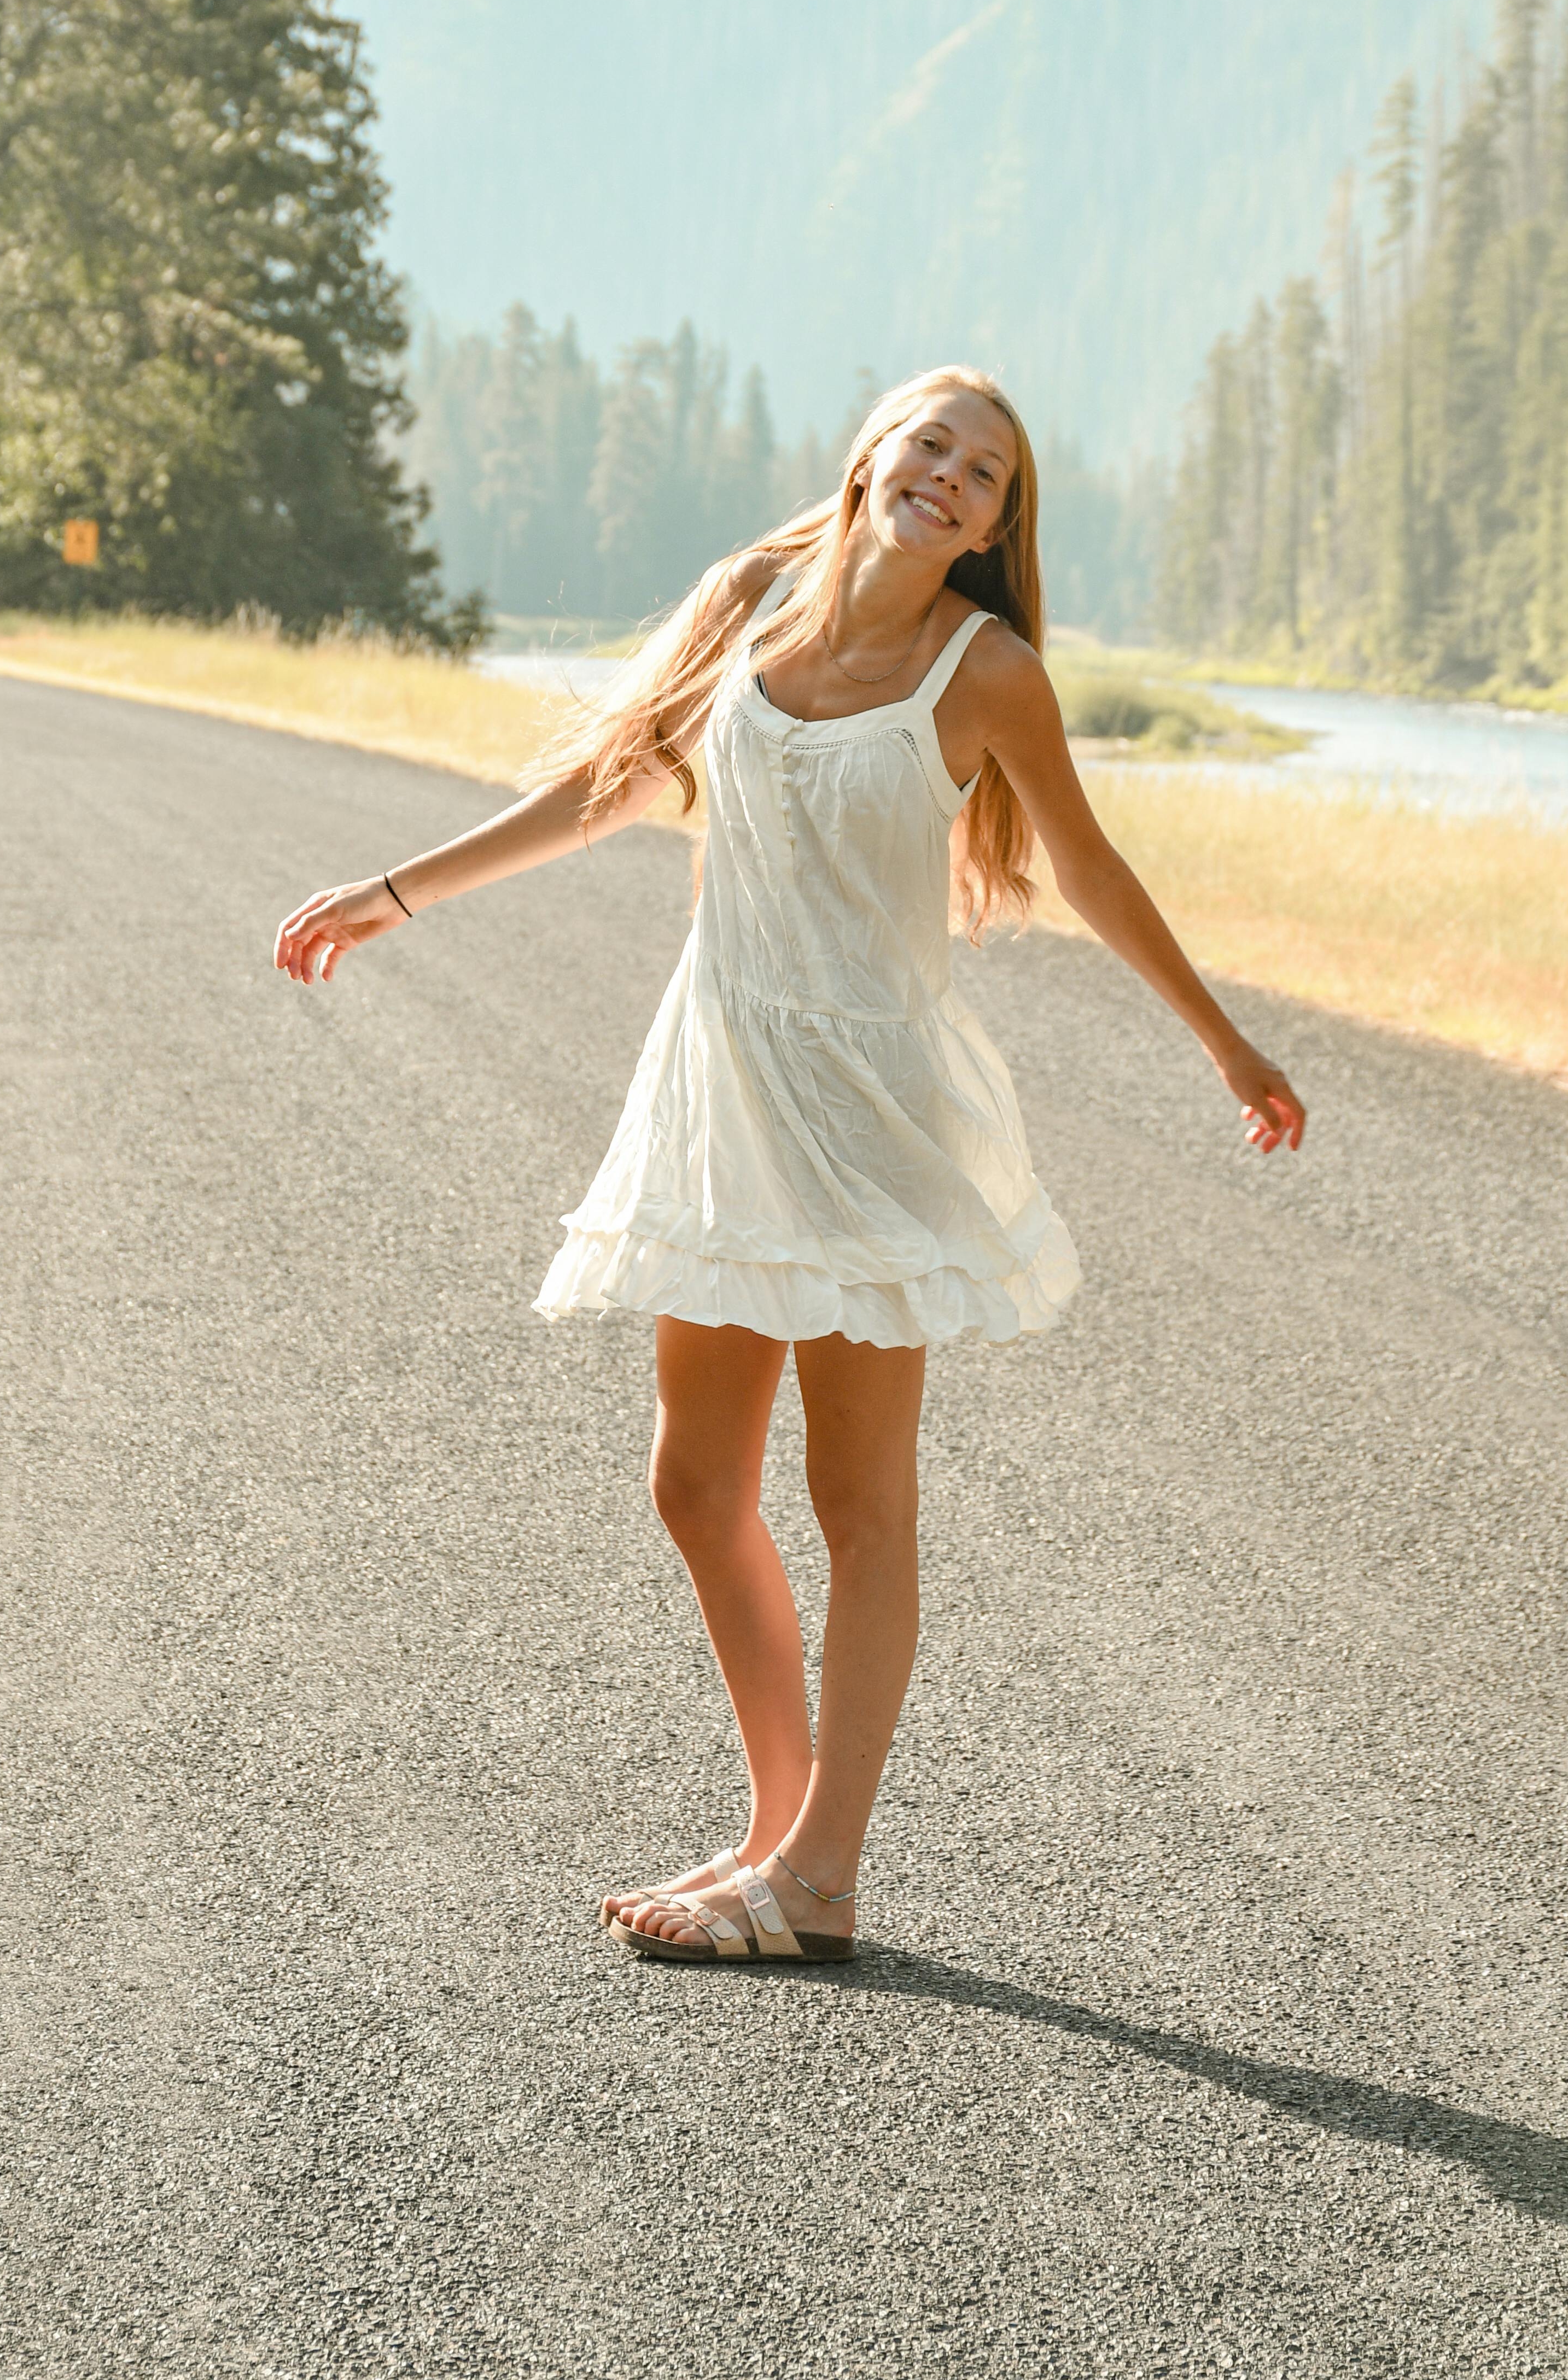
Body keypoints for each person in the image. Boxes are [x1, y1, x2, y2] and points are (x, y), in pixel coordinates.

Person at [273, 367, 1304, 1969]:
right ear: (871, 457)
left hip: (870, 1106)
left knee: (854, 1495)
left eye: (988, 476)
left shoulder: (990, 673)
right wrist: (394, 895)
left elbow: (1090, 870)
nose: (952, 480)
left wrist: (1226, 1046)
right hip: (722, 1082)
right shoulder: (748, 600)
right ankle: (776, 1830)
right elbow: (615, 782)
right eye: (933, 447)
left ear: (996, 526)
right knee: (693, 1482)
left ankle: (821, 1876)